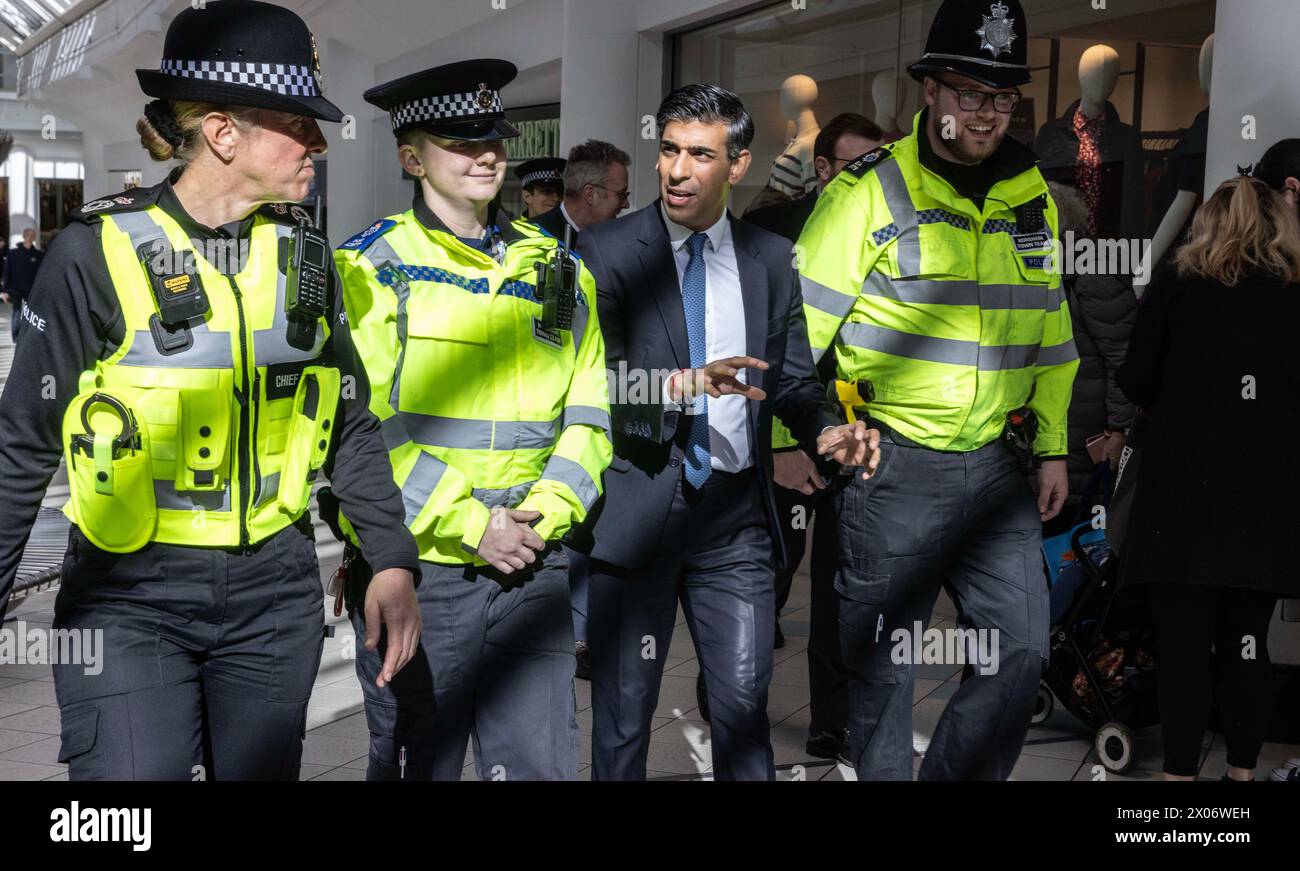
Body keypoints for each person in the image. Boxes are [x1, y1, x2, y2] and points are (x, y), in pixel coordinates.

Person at [0, 0, 421, 780]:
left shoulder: (307, 256)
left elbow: (351, 421)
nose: (320, 143)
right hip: (126, 598)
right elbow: (21, 441)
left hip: (274, 595)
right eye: (300, 124)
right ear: (224, 133)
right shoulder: (95, 253)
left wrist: (390, 557)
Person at [796, 0, 1078, 780]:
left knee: (1021, 650)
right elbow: (796, 333)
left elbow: (1052, 332)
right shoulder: (864, 192)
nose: (986, 113)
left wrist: (1052, 443)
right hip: (893, 468)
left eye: (1001, 96)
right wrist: (803, 432)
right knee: (882, 675)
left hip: (995, 463)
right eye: (968, 92)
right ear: (930, 92)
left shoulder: (1032, 194)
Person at [577, 83, 879, 781]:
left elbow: (795, 383)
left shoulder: (772, 261)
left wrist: (826, 433)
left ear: (738, 165)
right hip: (638, 512)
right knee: (624, 719)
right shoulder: (608, 251)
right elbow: (590, 385)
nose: (678, 170)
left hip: (735, 518)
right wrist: (680, 386)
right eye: (670, 151)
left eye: (700, 155)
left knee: (743, 710)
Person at [334, 59, 612, 781]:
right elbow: (365, 428)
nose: (485, 154)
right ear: (410, 156)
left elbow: (588, 410)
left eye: (493, 137)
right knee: (418, 761)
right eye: (459, 141)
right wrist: (471, 524)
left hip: (531, 563)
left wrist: (544, 517)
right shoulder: (370, 268)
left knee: (540, 765)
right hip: (425, 569)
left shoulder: (555, 268)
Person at [1116, 168, 1300, 782]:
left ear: (1208, 223)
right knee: (1248, 644)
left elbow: (1135, 379)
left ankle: (1179, 783)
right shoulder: (1296, 288)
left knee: (1184, 651)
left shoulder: (1178, 280)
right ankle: (1242, 777)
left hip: (1182, 501)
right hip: (1268, 500)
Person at [740, 111, 883, 762]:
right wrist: (778, 442)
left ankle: (832, 722)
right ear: (822, 168)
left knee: (838, 591)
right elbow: (749, 345)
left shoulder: (894, 232)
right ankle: (735, 711)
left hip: (858, 440)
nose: (874, 177)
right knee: (762, 579)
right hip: (785, 442)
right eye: (858, 164)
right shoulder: (770, 231)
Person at [515, 138, 630, 680]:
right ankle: (556, 630)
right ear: (591, 193)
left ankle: (579, 635)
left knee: (591, 518)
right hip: (542, 412)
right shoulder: (530, 245)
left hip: (607, 401)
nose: (627, 207)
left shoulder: (625, 245)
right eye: (620, 197)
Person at [1042, 181, 1135, 536]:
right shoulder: (1044, 272)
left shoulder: (1091, 274)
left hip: (1085, 439)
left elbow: (1121, 359)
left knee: (1073, 542)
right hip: (1056, 438)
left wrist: (1117, 429)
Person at [526, 139, 630, 244]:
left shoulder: (617, 241)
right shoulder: (532, 240)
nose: (627, 204)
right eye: (621, 195)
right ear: (590, 194)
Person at [2, 228, 43, 342]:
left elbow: (41, 273)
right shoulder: (13, 253)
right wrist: (4, 291)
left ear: (34, 237)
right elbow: (7, 272)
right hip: (15, 289)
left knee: (31, 314)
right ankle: (15, 338)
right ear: (24, 236)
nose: (30, 236)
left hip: (31, 290)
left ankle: (27, 335)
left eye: (32, 235)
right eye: (28, 234)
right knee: (16, 312)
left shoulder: (38, 255)